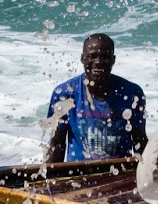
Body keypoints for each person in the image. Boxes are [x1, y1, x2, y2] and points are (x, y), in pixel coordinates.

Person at [44, 33, 148, 163]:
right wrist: (48, 181)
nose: (98, 62)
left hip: (120, 174)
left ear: (113, 60)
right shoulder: (65, 93)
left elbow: (140, 142)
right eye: (92, 56)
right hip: (78, 174)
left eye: (105, 57)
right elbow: (57, 143)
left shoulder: (132, 94)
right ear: (83, 59)